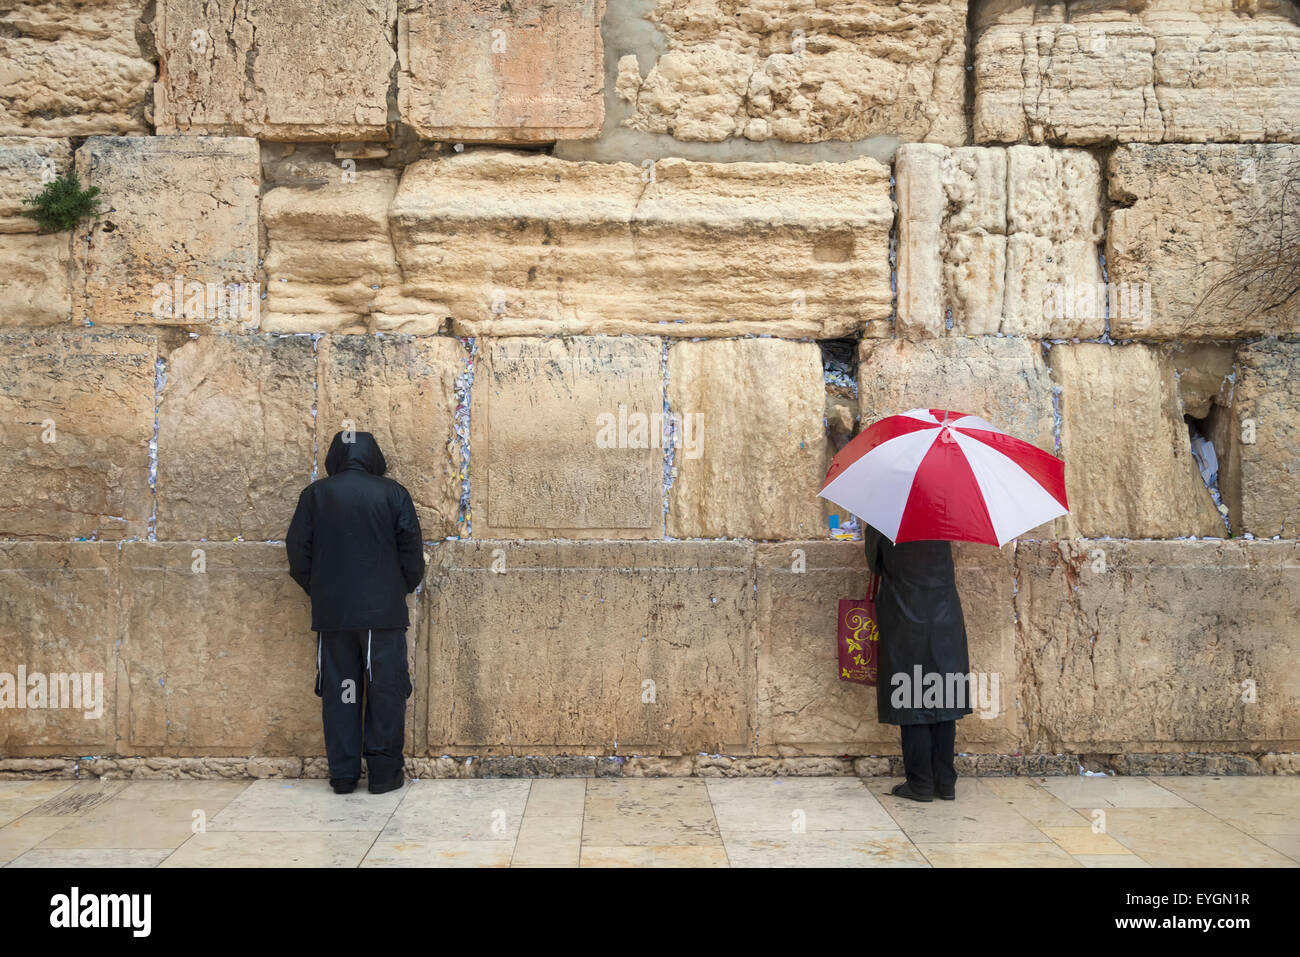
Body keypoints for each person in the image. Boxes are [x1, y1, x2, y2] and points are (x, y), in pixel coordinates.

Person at [286, 431, 424, 795]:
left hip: (335, 617)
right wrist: (399, 590)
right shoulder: (394, 493)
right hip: (384, 617)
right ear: (373, 456)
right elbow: (412, 552)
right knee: (386, 692)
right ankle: (384, 775)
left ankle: (344, 776)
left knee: (341, 692)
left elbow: (298, 555)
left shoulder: (315, 495)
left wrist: (322, 593)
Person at [863, 524, 971, 802]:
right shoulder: (941, 515)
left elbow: (874, 564)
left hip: (905, 616)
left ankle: (921, 782)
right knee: (945, 698)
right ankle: (945, 782)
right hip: (945, 615)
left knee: (910, 696)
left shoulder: (884, 516)